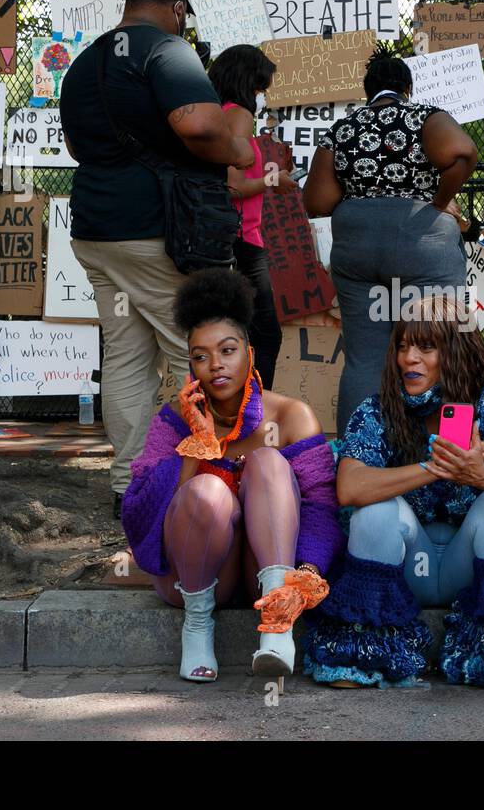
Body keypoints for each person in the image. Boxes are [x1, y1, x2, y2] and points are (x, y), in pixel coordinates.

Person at [59, 0, 254, 517]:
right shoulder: (167, 52)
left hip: (98, 231)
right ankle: (206, 477)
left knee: (124, 357)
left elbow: (77, 148)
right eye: (183, 17)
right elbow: (197, 124)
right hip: (162, 234)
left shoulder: (84, 63)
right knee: (191, 351)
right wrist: (241, 152)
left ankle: (129, 484)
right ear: (176, 9)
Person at [303, 296, 484, 696]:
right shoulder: (378, 410)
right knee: (373, 510)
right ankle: (365, 654)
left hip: (469, 569)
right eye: (403, 346)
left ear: (454, 351)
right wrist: (434, 467)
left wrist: (479, 474)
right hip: (408, 567)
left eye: (426, 347)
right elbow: (351, 487)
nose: (409, 358)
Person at [120, 268, 343, 682]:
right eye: (200, 356)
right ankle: (199, 629)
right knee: (207, 488)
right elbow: (137, 511)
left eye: (227, 350)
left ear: (250, 354)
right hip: (197, 579)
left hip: (268, 570)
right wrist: (198, 446)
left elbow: (321, 504)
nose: (215, 366)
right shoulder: (173, 421)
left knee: (268, 462)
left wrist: (307, 573)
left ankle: (278, 622)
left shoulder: (290, 416)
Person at [303, 46, 477, 436]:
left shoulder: (342, 129)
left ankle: (357, 461)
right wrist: (438, 203)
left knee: (364, 361)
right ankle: (453, 450)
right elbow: (461, 151)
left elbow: (316, 202)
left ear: (368, 92)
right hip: (422, 244)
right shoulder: (423, 116)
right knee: (446, 347)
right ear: (408, 88)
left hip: (357, 250)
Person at [207, 44, 293, 388]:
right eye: (260, 88)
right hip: (243, 239)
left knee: (248, 333)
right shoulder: (238, 115)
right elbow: (235, 185)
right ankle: (256, 413)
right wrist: (275, 180)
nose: (262, 97)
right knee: (266, 335)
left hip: (241, 237)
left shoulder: (222, 113)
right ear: (247, 83)